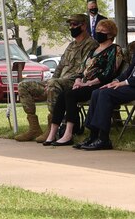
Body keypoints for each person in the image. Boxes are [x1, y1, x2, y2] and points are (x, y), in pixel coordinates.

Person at [75, 14, 135, 150]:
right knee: (98, 91)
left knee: (105, 95)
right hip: (132, 84)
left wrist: (125, 83)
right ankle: (93, 135)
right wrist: (116, 81)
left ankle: (104, 138)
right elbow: (130, 70)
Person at [14, 14, 97, 142]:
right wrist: (52, 79)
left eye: (74, 24)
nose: (71, 27)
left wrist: (54, 82)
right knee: (23, 85)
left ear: (84, 25)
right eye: (70, 25)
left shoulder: (91, 44)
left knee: (54, 84)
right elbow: (60, 66)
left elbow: (85, 69)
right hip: (58, 81)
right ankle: (34, 127)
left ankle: (52, 127)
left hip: (74, 83)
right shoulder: (71, 45)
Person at [43, 18, 122, 146]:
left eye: (102, 30)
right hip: (84, 84)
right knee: (64, 94)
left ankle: (68, 133)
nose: (98, 32)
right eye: (97, 30)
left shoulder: (114, 50)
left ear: (111, 34)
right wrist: (78, 80)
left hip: (99, 84)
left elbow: (109, 73)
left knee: (71, 95)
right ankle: (52, 133)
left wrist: (87, 83)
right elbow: (81, 69)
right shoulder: (93, 50)